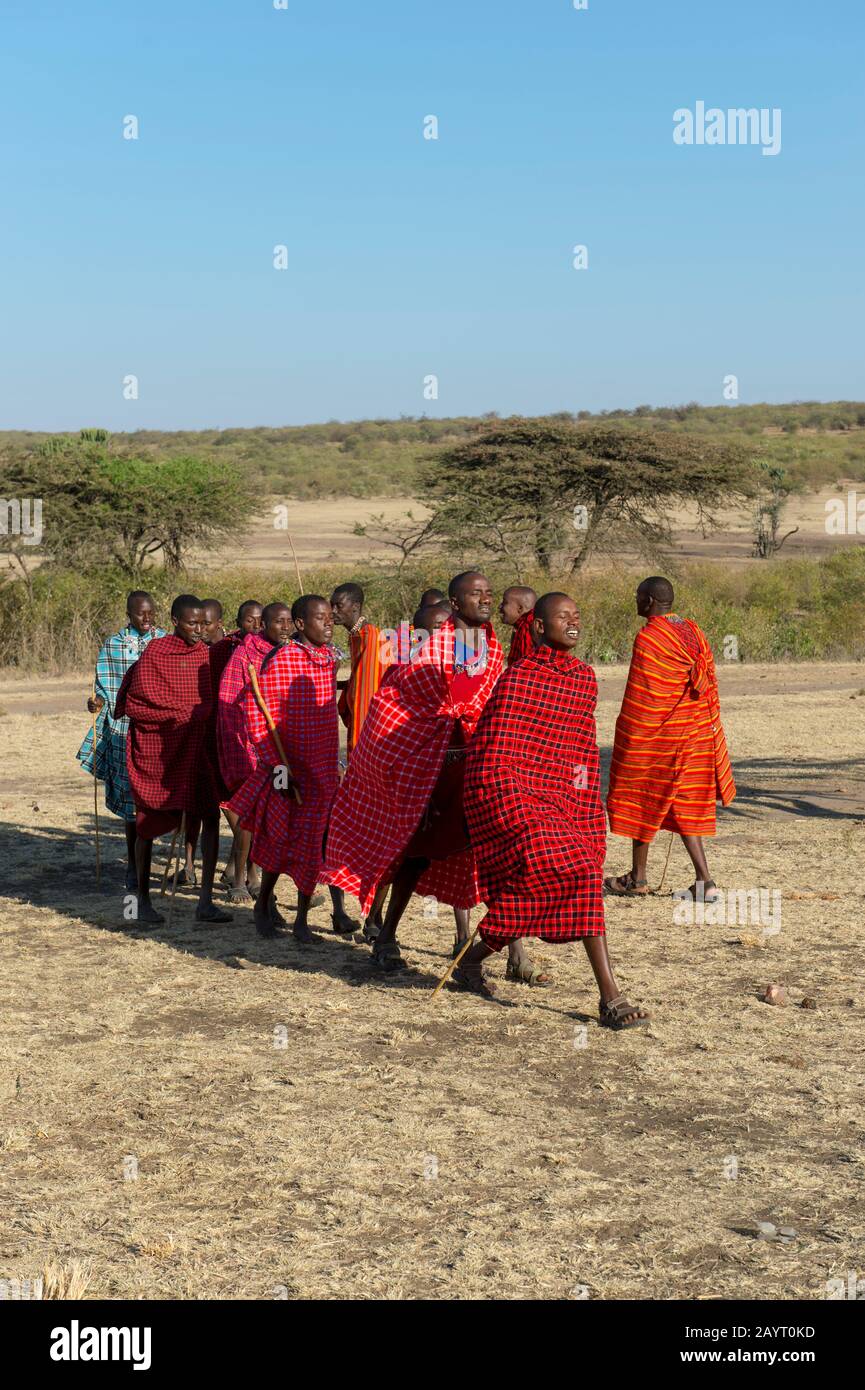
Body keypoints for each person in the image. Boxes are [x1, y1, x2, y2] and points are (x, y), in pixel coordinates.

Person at [458, 592, 649, 1028]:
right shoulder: (519, 678)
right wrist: (514, 797)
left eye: (577, 616)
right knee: (558, 865)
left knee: (577, 869)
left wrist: (582, 804)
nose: (573, 622)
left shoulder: (584, 678)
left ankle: (475, 961)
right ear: (540, 627)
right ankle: (610, 997)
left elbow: (579, 751)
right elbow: (494, 751)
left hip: (564, 803)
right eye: (563, 617)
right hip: (512, 798)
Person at [324, 571, 503, 972]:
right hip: (428, 770)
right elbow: (395, 708)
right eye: (477, 594)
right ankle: (386, 937)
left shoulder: (491, 648)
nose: (487, 600)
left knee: (489, 854)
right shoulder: (430, 651)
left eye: (489, 593)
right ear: (456, 604)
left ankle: (508, 954)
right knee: (414, 856)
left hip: (475, 769)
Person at [228, 595, 355, 941]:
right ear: (300, 624)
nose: (329, 624)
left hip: (324, 770)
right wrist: (278, 767)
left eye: (331, 618)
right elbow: (258, 715)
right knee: (279, 841)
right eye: (320, 618)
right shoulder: (283, 660)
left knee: (315, 845)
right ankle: (263, 903)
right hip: (289, 768)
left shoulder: (328, 659)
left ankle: (301, 921)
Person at [605, 576, 736, 902]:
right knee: (682, 805)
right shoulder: (694, 630)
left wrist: (632, 736)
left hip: (661, 736)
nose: (635, 601)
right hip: (698, 733)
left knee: (643, 794)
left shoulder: (650, 638)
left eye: (638, 596)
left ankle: (638, 878)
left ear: (649, 601)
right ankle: (703, 881)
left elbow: (644, 698)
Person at [114, 594, 232, 926]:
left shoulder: (204, 656)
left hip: (197, 749)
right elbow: (138, 701)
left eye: (202, 623)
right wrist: (183, 714)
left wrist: (200, 717)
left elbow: (209, 702)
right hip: (161, 752)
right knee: (147, 824)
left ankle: (205, 902)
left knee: (210, 815)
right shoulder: (156, 653)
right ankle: (141, 900)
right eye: (191, 623)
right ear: (175, 620)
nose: (198, 630)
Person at [77, 591, 166, 889]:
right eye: (141, 613)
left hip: (159, 733)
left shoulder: (165, 642)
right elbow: (103, 688)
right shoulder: (113, 646)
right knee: (132, 803)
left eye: (151, 612)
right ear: (128, 614)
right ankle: (134, 865)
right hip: (123, 731)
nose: (147, 618)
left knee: (156, 801)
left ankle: (170, 863)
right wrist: (96, 703)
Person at [217, 601, 293, 903]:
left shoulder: (293, 653)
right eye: (278, 623)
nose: (285, 628)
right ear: (264, 626)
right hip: (248, 743)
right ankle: (243, 878)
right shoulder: (244, 654)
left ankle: (267, 880)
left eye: (289, 622)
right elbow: (229, 703)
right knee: (248, 812)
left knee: (280, 813)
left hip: (282, 745)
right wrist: (249, 741)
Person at [330, 582, 389, 757]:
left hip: (369, 732)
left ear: (355, 606)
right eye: (332, 605)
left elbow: (365, 694)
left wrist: (359, 747)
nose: (333, 611)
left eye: (339, 606)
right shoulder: (357, 635)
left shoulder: (370, 637)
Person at [499, 585, 538, 666]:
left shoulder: (532, 627)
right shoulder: (520, 627)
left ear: (520, 608)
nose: (499, 606)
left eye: (504, 603)